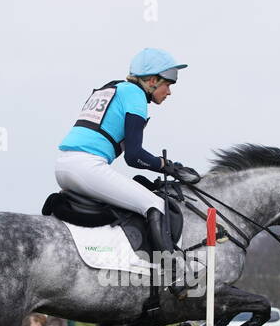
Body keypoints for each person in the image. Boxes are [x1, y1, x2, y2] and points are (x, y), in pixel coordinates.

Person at [55, 48, 197, 259]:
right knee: (155, 204)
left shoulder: (112, 88)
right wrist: (167, 166)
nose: (169, 92)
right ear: (151, 80)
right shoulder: (135, 95)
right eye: (167, 84)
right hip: (87, 167)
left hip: (63, 166)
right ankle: (172, 273)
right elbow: (134, 155)